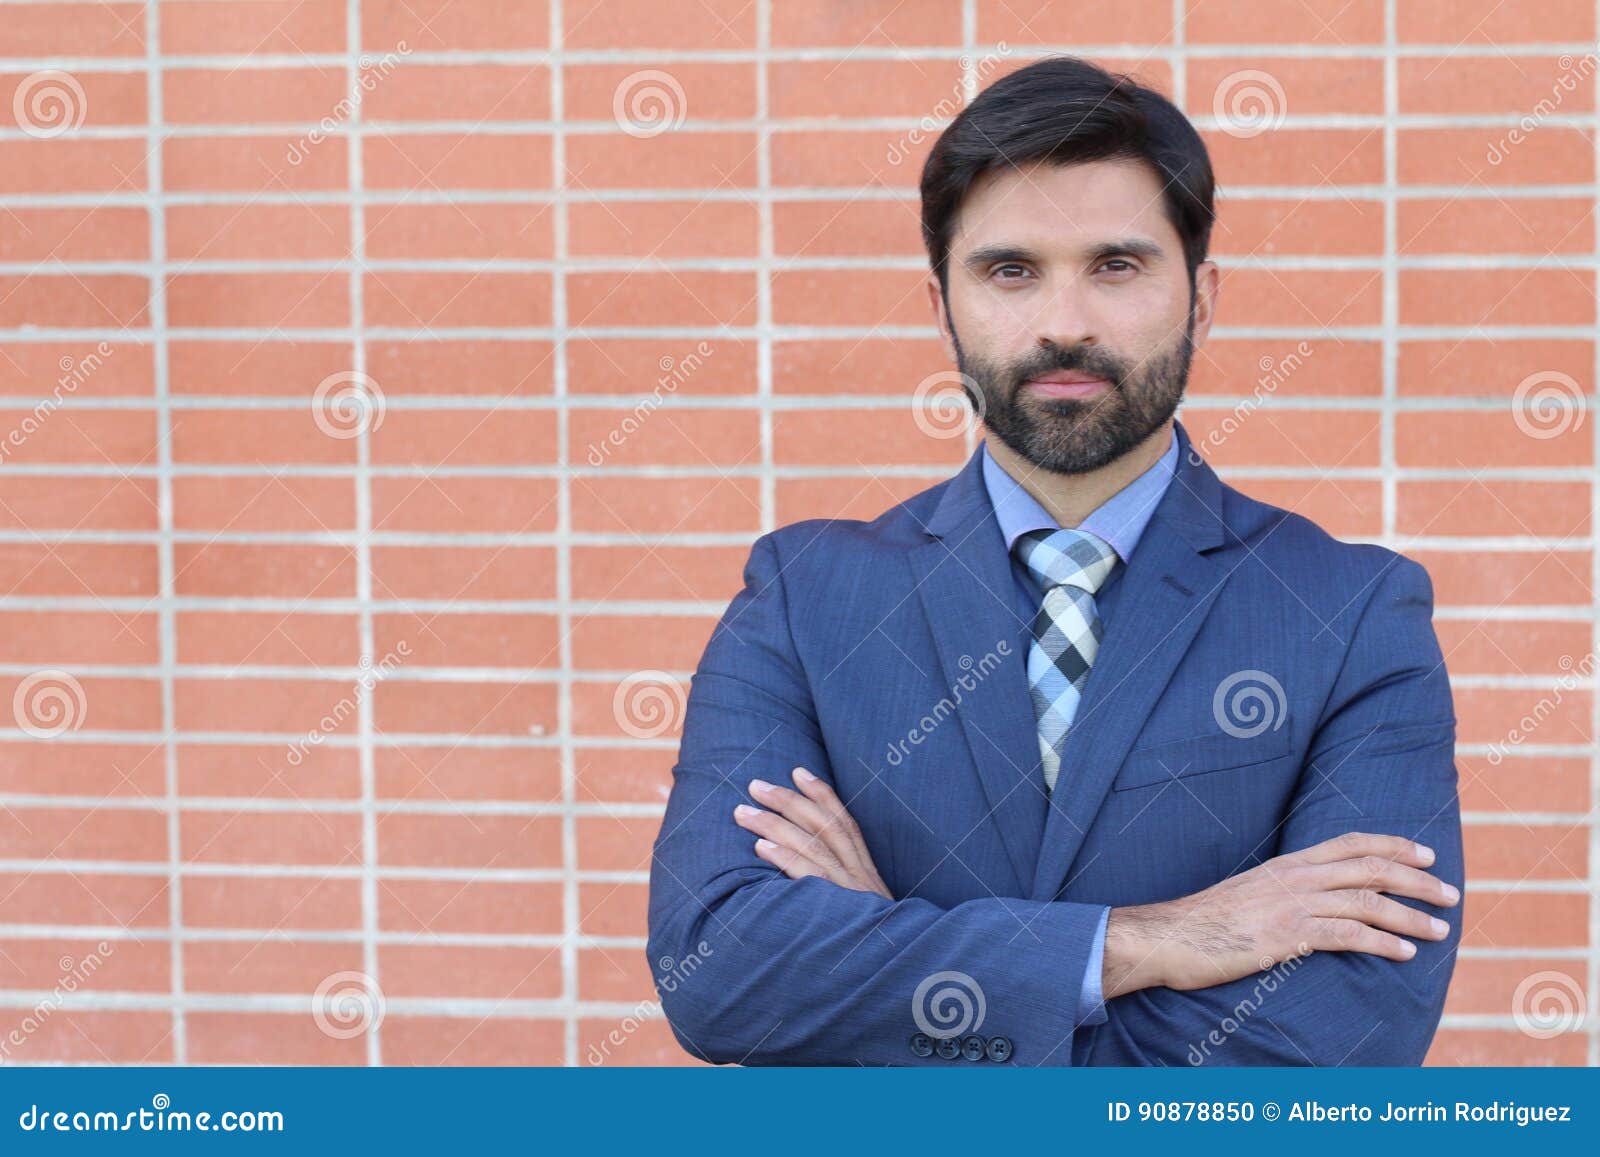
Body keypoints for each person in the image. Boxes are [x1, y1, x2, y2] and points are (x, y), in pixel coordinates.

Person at [645, 55, 1462, 1067]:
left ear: (1201, 298)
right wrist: (1151, 939)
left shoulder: (1350, 612)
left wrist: (892, 977)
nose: (1064, 322)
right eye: (1010, 270)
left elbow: (1335, 1048)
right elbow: (721, 974)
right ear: (941, 303)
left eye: (1115, 264)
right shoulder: (802, 598)